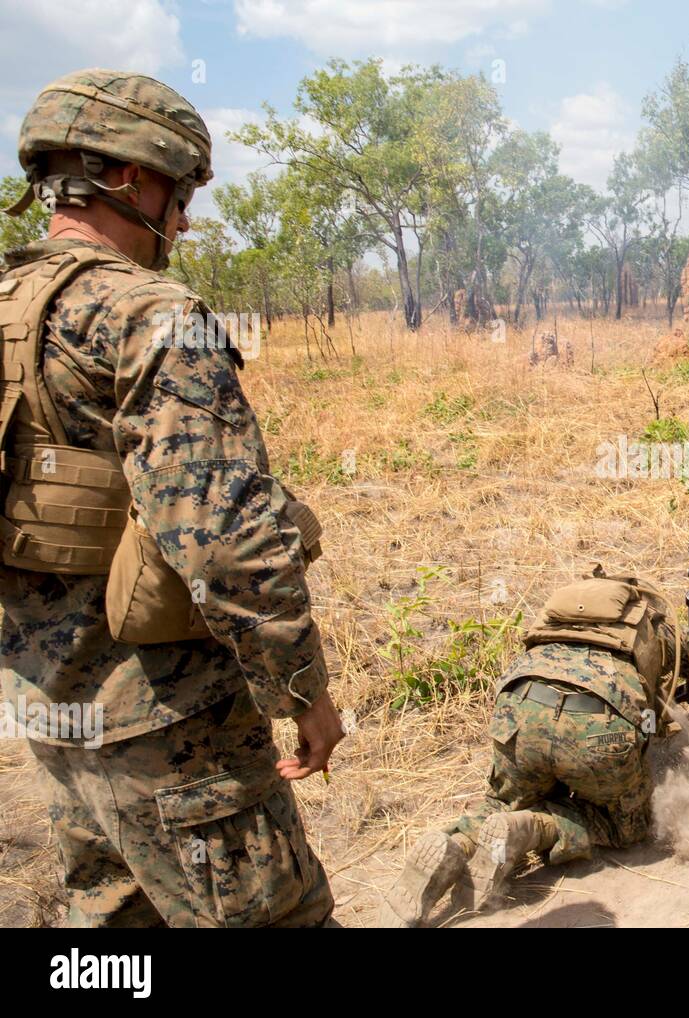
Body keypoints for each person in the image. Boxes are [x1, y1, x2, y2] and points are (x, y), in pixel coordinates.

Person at [0, 69, 340, 927]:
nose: (183, 221)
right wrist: (300, 693)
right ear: (129, 179)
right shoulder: (154, 316)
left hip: (52, 716)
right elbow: (224, 541)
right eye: (179, 194)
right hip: (175, 732)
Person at [379, 568, 689, 926]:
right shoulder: (657, 622)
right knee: (629, 827)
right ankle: (532, 828)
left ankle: (453, 844)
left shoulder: (556, 616)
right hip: (598, 731)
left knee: (499, 802)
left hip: (519, 713)